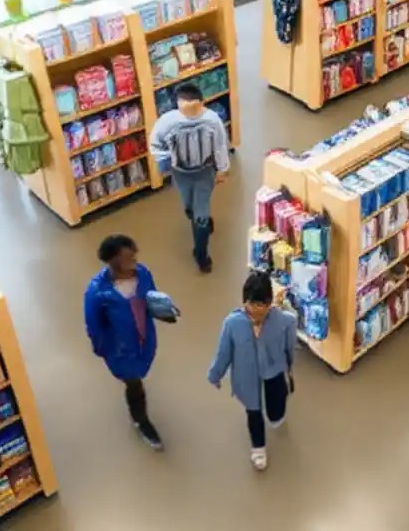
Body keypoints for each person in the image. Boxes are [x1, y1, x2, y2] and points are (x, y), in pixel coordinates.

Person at [207, 271, 298, 471]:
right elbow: (224, 352)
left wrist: (289, 367)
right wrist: (215, 374)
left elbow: (289, 347)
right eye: (253, 304)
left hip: (274, 372)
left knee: (277, 404)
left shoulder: (284, 321)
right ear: (244, 301)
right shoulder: (232, 324)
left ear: (270, 302)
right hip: (246, 377)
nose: (257, 310)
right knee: (253, 412)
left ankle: (277, 416)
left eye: (263, 305)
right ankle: (258, 448)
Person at [83, 235, 164, 450]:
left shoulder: (143, 274)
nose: (134, 260)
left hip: (144, 340)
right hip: (120, 350)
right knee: (134, 383)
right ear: (113, 261)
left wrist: (165, 310)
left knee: (141, 371)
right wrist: (104, 350)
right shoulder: (97, 292)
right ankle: (141, 420)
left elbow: (152, 298)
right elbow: (94, 326)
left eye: (134, 254)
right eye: (128, 257)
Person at [149, 83, 230, 273]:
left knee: (199, 215)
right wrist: (164, 163)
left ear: (202, 103)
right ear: (178, 105)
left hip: (204, 173)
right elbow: (155, 143)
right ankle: (202, 218)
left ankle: (201, 255)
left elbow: (220, 145)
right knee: (189, 209)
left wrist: (222, 169)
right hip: (181, 174)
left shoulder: (212, 120)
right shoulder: (167, 122)